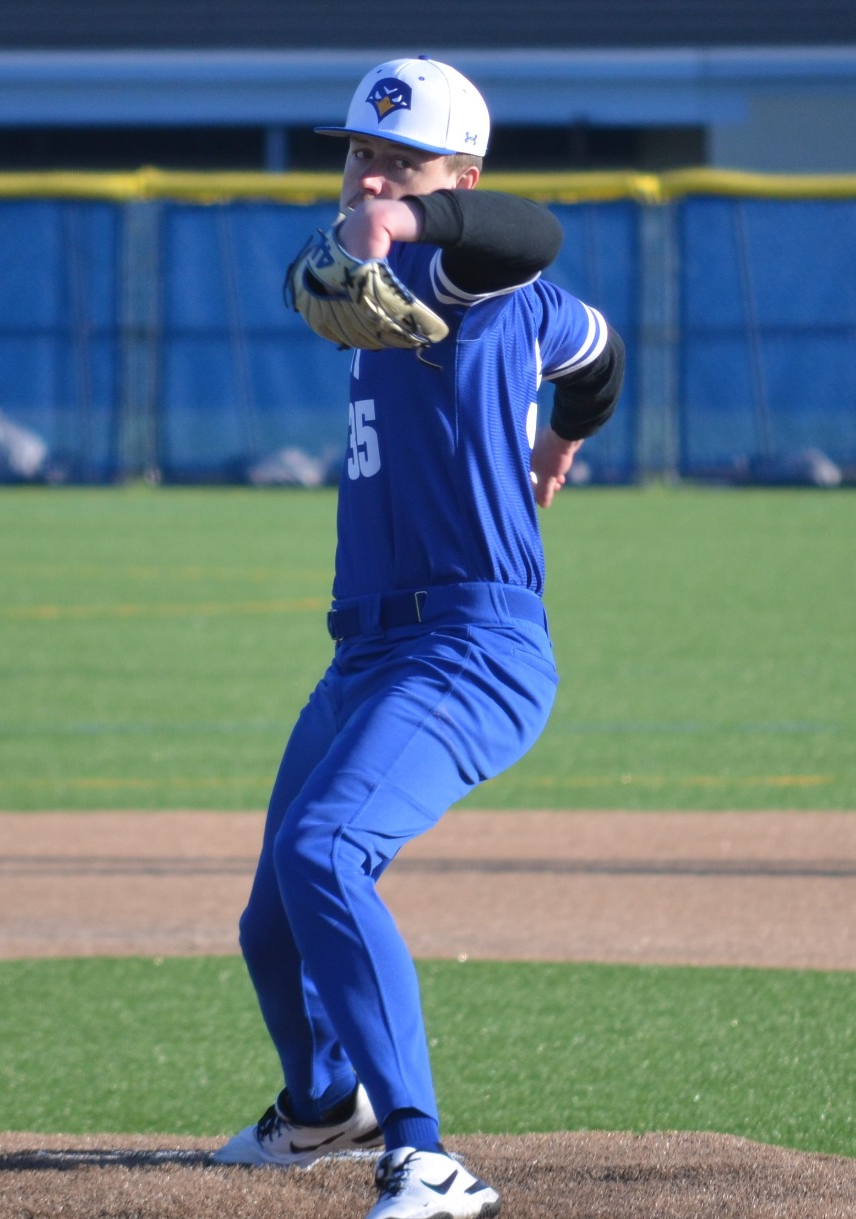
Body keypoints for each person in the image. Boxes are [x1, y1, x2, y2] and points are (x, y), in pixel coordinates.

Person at [210, 57, 624, 1219]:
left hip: (471, 647)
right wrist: (566, 440)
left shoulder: (472, 273)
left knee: (326, 851)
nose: (371, 174)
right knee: (270, 919)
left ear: (459, 179)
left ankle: (425, 1153)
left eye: (402, 158)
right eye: (360, 154)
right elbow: (596, 355)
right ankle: (319, 1108)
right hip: (366, 655)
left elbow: (534, 234)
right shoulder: (362, 276)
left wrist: (414, 219)